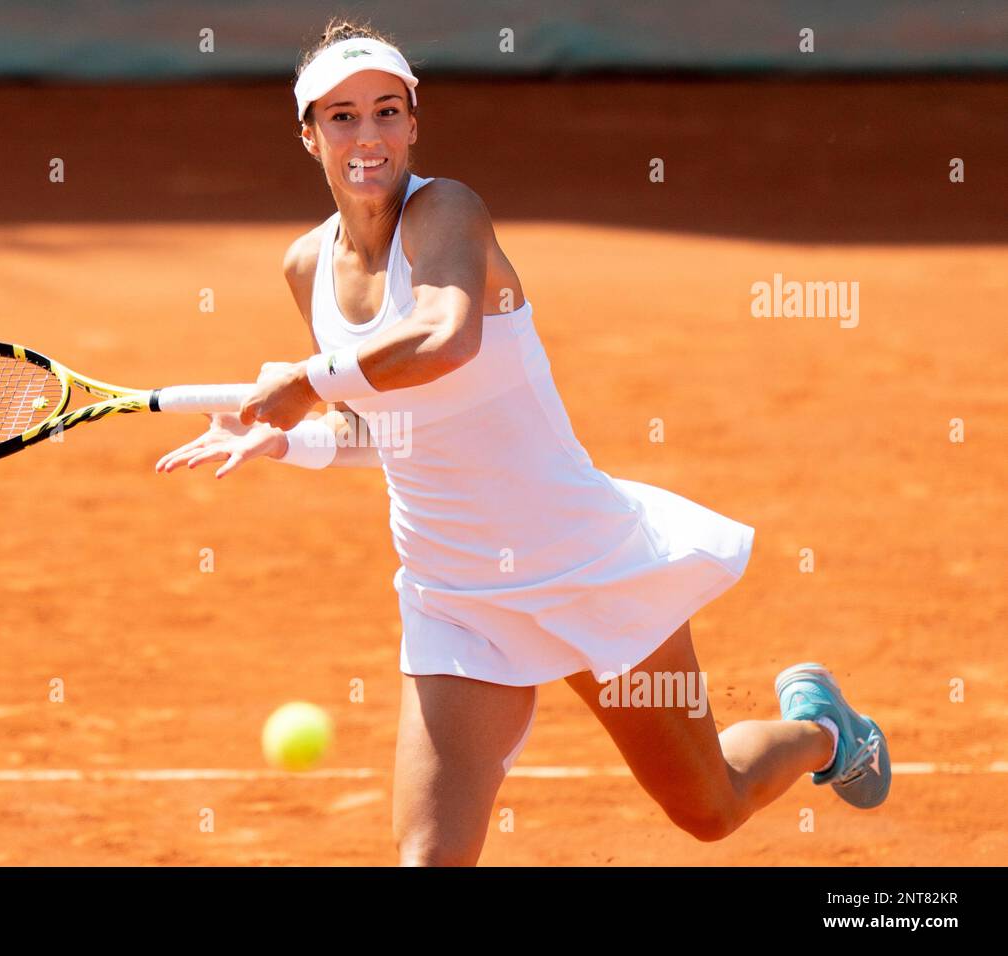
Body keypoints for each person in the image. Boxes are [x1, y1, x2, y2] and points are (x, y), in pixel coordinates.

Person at [156, 19, 890, 866]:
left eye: (388, 111)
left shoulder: (447, 211)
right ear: (308, 133)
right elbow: (388, 420)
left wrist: (309, 380)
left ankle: (822, 733)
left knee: (710, 808)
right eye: (343, 116)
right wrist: (297, 442)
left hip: (583, 561)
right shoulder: (304, 267)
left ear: (414, 124)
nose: (369, 136)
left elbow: (447, 337)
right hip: (455, 595)